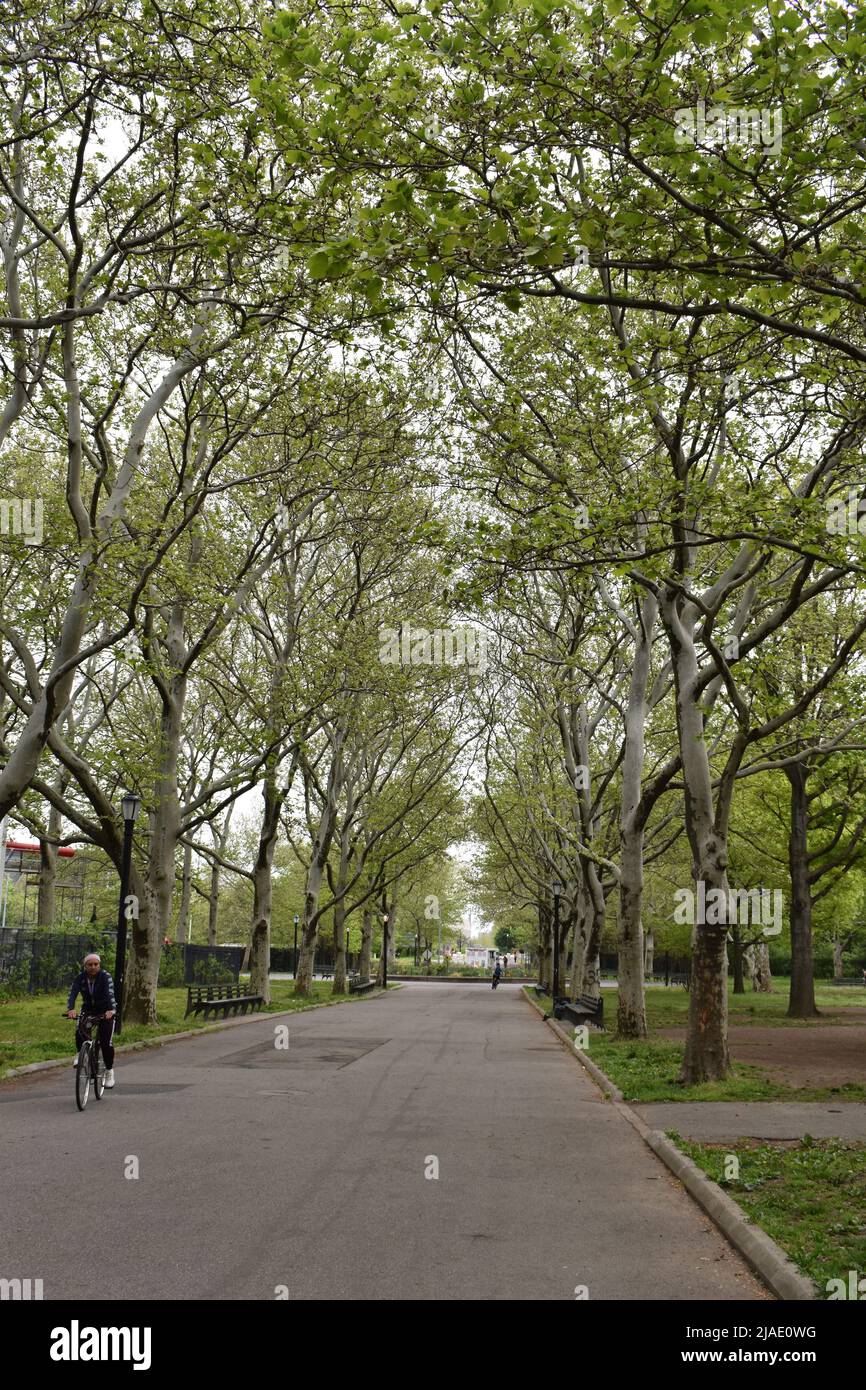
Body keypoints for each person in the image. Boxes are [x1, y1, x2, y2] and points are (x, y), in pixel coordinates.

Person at [66, 952, 117, 1089]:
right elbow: (72, 993)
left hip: (105, 1012)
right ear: (85, 966)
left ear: (99, 965)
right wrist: (70, 1009)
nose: (93, 967)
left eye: (96, 964)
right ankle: (80, 1054)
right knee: (80, 1029)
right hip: (88, 1010)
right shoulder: (80, 978)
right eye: (90, 965)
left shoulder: (105, 977)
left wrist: (111, 1010)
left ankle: (109, 1071)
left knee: (106, 1042)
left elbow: (110, 993)